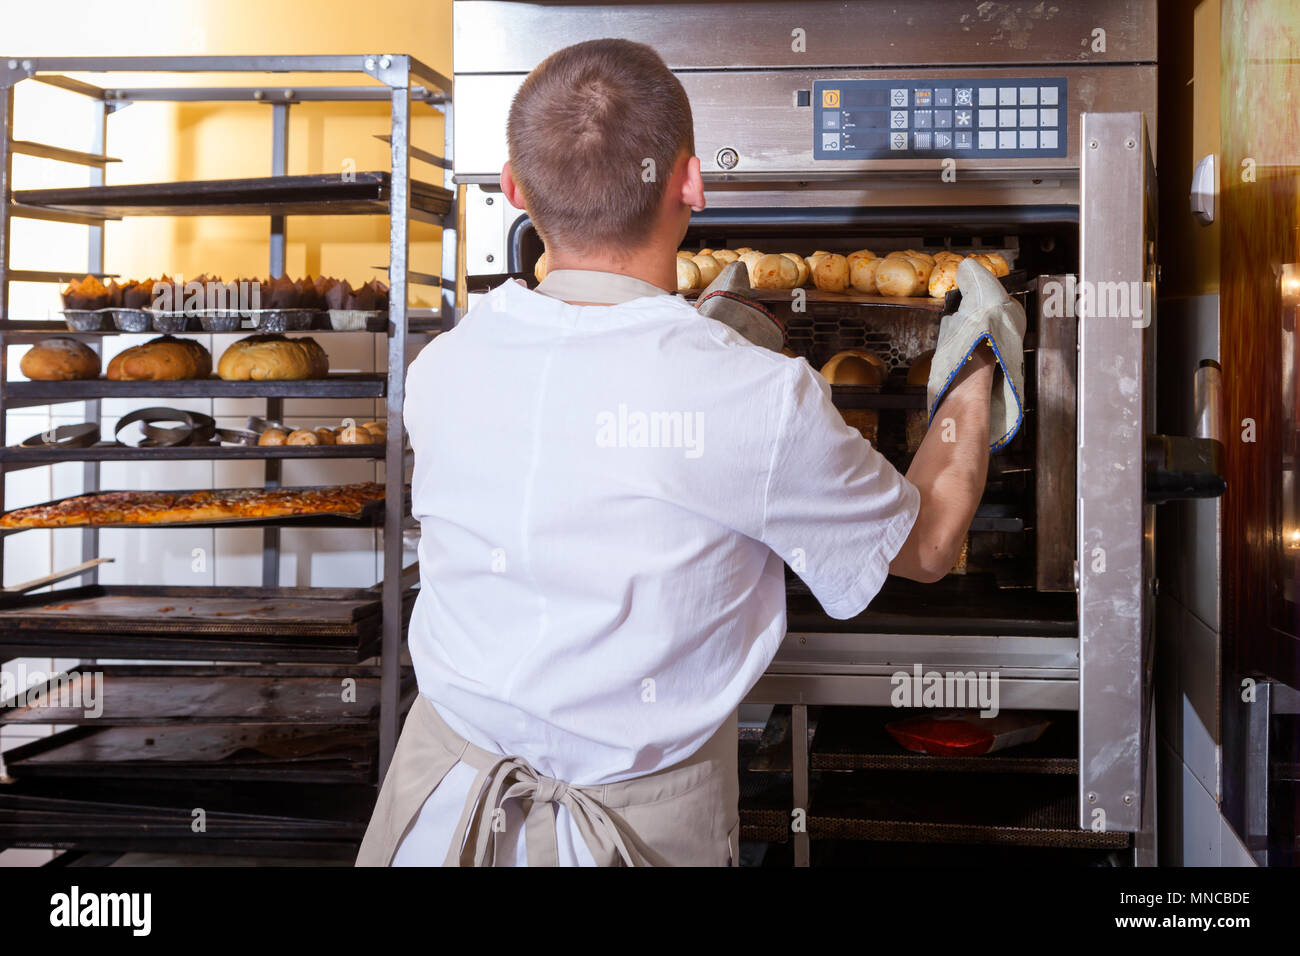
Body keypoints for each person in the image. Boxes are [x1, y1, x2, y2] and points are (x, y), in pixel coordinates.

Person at [357, 37, 1024, 867]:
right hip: (634, 832)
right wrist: (972, 367)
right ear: (691, 183)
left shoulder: (442, 366)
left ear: (515, 190)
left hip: (437, 808)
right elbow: (927, 548)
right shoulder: (757, 397)